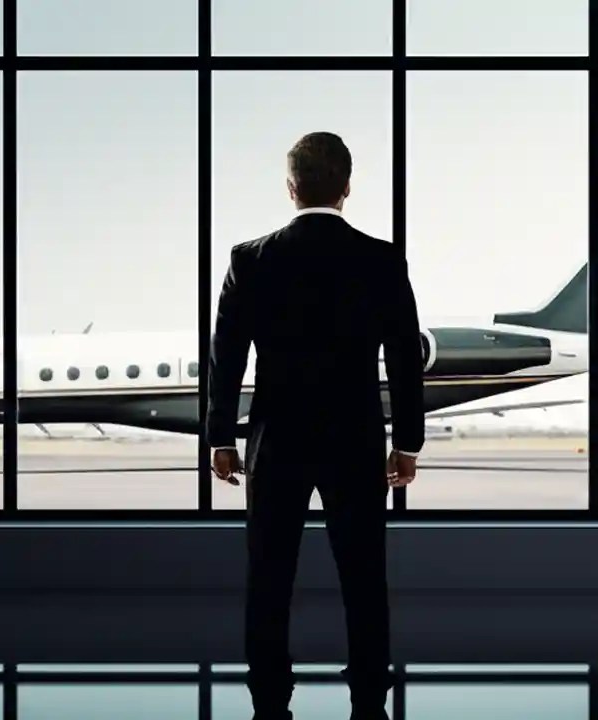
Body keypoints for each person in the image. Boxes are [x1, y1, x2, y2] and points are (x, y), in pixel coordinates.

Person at [206, 131, 425, 720]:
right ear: (347, 187)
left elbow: (226, 358)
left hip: (277, 440)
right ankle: (369, 693)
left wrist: (221, 436)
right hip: (355, 438)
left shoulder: (250, 260)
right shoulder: (382, 260)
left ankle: (269, 691)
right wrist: (407, 442)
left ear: (291, 187)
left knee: (269, 575)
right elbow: (404, 358)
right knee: (364, 574)